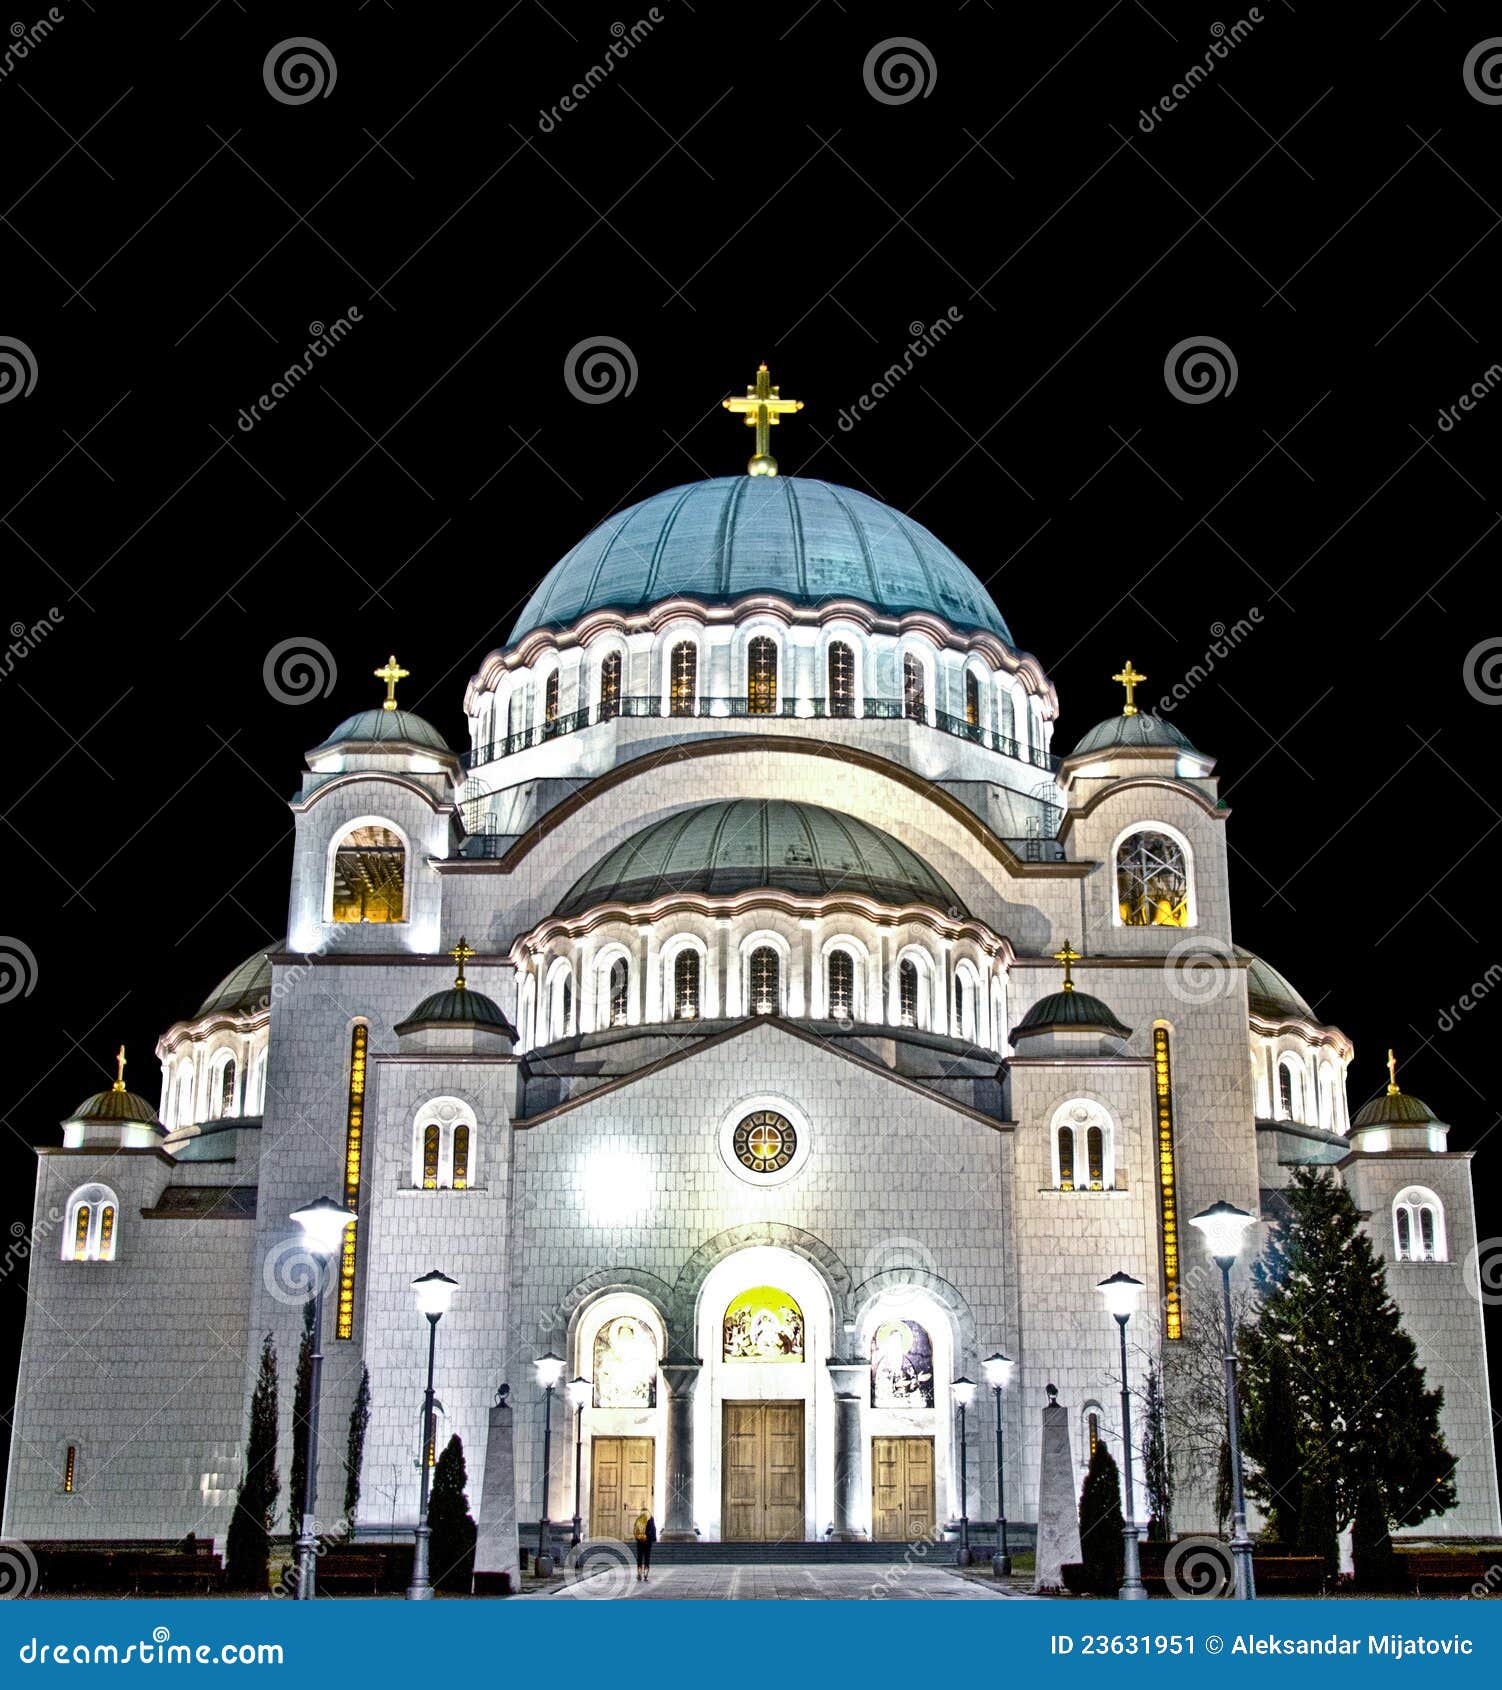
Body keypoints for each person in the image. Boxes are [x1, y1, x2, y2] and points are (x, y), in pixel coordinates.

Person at [632, 1509, 656, 1581]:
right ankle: (645, 1575)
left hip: (640, 1541)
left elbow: (635, 1530)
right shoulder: (651, 1518)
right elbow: (653, 1529)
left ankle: (639, 1574)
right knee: (647, 1558)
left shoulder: (639, 1518)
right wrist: (653, 1539)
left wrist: (637, 1538)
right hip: (648, 1542)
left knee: (639, 1558)